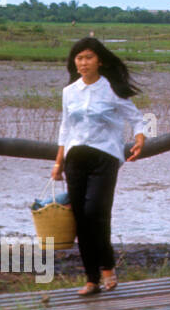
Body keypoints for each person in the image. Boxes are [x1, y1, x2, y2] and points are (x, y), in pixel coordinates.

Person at [51, 37, 147, 296]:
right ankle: (91, 279)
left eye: (88, 58)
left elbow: (138, 119)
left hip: (104, 157)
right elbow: (65, 128)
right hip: (75, 158)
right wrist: (58, 163)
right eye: (79, 58)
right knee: (80, 218)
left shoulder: (112, 89)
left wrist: (140, 140)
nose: (83, 63)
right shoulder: (69, 92)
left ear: (100, 61)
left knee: (96, 212)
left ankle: (107, 267)